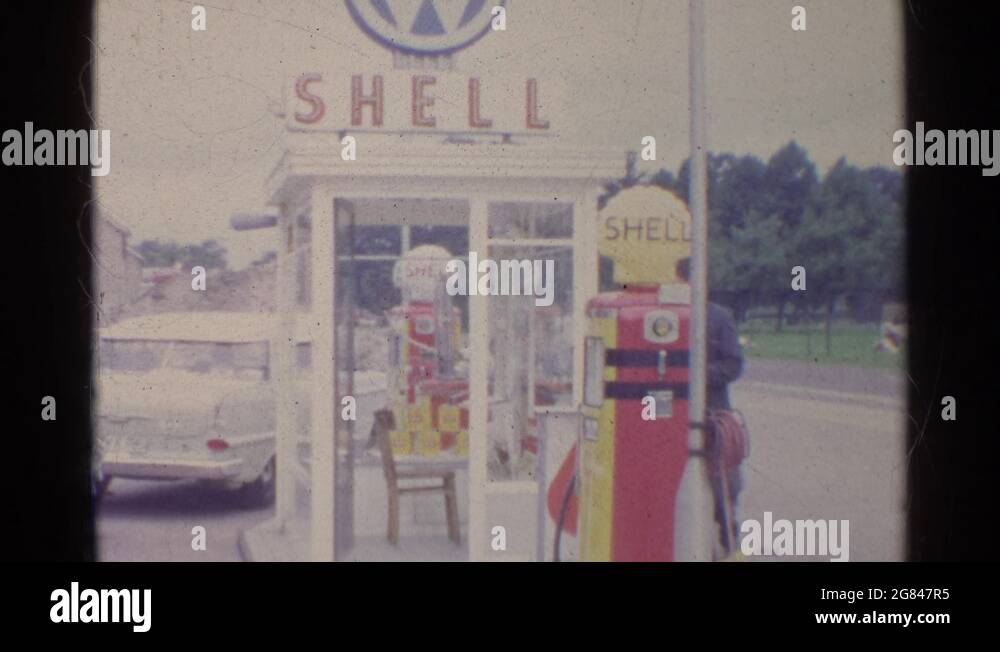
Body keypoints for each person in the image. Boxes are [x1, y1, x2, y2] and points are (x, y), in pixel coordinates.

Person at [675, 257, 745, 553]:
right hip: (671, 415)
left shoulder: (718, 317)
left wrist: (696, 376)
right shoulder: (668, 315)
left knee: (724, 488)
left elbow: (733, 364)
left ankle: (728, 543)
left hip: (712, 415)